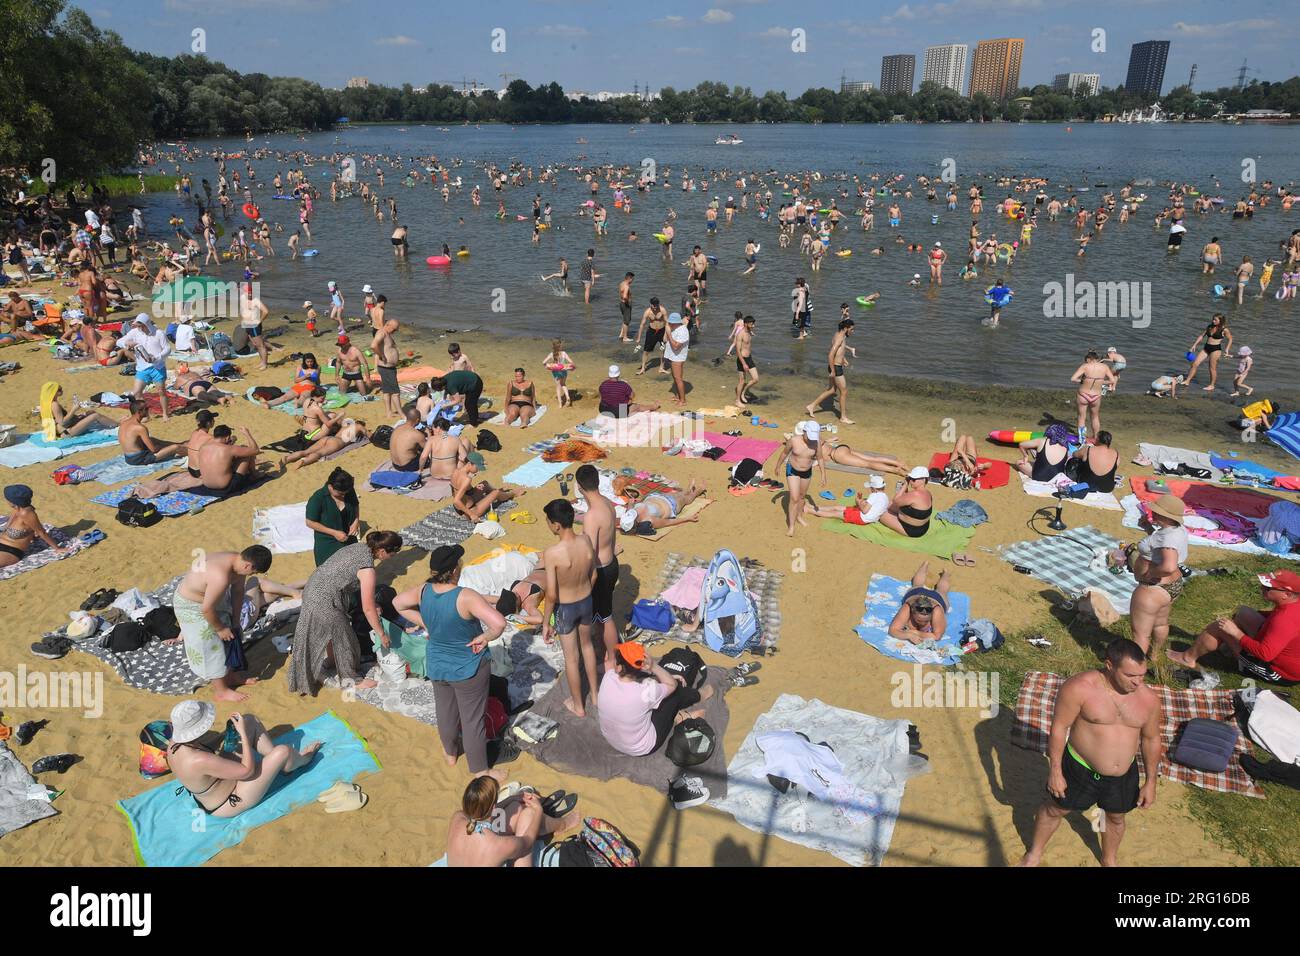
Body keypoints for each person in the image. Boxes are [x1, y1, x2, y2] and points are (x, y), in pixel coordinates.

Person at [1018, 639, 1161, 868]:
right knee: (1055, 809)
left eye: (1142, 675)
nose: (1138, 682)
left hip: (1123, 775)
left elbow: (1151, 739)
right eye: (1131, 675)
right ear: (1109, 665)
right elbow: (1059, 728)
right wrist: (1055, 770)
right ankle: (1034, 854)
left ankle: (1109, 860)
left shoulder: (1148, 699)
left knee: (1115, 817)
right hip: (1080, 767)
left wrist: (1151, 781)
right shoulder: (1079, 688)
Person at [393, 544, 507, 778]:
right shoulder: (465, 596)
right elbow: (499, 624)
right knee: (472, 719)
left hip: (437, 662)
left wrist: (426, 622)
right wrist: (484, 637)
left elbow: (397, 604)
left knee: (445, 711)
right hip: (468, 666)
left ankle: (451, 753)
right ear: (455, 570)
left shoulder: (424, 590)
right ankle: (480, 770)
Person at [287, 530, 403, 696]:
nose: (393, 557)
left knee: (329, 631)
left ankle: (331, 662)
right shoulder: (368, 570)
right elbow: (368, 608)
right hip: (324, 599)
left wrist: (373, 603)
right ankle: (351, 681)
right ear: (382, 551)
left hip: (312, 589)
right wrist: (381, 633)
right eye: (393, 553)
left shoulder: (358, 547)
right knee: (345, 639)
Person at [166, 701, 322, 819]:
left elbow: (205, 750)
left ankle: (282, 765)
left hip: (221, 782)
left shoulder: (175, 744)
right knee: (283, 751)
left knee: (249, 721)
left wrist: (229, 734)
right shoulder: (198, 760)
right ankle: (301, 760)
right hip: (230, 799)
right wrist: (241, 735)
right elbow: (248, 771)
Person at [173, 546, 274, 702]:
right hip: (191, 606)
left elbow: (238, 591)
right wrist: (220, 629)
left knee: (232, 635)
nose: (252, 575)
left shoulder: (238, 562)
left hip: (211, 600)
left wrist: (235, 621)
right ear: (248, 566)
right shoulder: (221, 576)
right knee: (211, 645)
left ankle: (231, 676)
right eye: (253, 573)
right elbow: (207, 610)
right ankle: (221, 690)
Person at [1169, 571, 1300, 684]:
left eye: (1268, 587)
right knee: (1243, 612)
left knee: (1219, 627)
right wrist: (1259, 616)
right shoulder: (1293, 605)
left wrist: (1236, 633)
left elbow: (1264, 654)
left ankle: (1188, 658)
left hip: (1277, 672)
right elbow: (1276, 618)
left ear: (1287, 594)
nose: (1262, 587)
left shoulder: (1283, 620)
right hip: (1288, 659)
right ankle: (1228, 650)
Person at [599, 641, 715, 756]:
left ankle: (679, 715)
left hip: (612, 740)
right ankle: (700, 695)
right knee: (675, 694)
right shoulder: (646, 692)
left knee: (655, 695)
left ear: (618, 667)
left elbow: (632, 681)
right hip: (642, 747)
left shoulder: (608, 677)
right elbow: (672, 685)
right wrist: (654, 666)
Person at [1111, 494, 1188, 657]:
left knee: (1140, 633)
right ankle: (1154, 655)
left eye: (1156, 512)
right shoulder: (1175, 530)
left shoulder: (1168, 538)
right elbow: (1159, 546)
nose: (1153, 513)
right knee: (1160, 623)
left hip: (1153, 588)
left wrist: (1149, 573)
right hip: (1171, 586)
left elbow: (1168, 566)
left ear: (1164, 515)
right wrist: (1148, 528)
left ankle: (1137, 665)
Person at [542, 499, 599, 717]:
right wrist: (584, 592)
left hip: (565, 608)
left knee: (572, 659)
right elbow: (593, 575)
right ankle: (595, 695)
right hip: (586, 601)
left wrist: (546, 622)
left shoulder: (552, 553)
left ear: (556, 525)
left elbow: (552, 594)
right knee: (588, 647)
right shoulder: (585, 541)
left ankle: (579, 706)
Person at [446, 775, 578, 867]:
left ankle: (552, 822)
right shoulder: (497, 845)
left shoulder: (458, 817)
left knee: (515, 808)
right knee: (529, 816)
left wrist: (513, 799)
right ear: (493, 807)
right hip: (500, 847)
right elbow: (528, 841)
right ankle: (562, 824)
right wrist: (538, 811)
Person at [576, 465, 620, 669]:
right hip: (612, 564)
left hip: (600, 570)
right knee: (602, 613)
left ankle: (611, 657)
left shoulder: (592, 516)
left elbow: (590, 553)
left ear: (579, 487)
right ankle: (605, 650)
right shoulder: (608, 504)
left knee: (605, 617)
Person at [776, 421, 827, 537]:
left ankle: (799, 516)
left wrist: (823, 474)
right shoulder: (794, 440)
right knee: (794, 498)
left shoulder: (816, 443)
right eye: (809, 436)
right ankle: (791, 526)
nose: (811, 439)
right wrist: (778, 466)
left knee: (802, 496)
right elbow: (784, 453)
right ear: (804, 431)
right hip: (792, 470)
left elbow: (820, 458)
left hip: (807, 471)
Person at [118, 314, 173, 419]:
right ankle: (146, 415)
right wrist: (128, 343)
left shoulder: (159, 333)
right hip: (142, 368)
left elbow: (167, 349)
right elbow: (119, 341)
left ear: (146, 324)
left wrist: (158, 357)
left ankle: (165, 413)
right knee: (137, 392)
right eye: (138, 326)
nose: (139, 328)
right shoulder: (135, 332)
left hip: (157, 366)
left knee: (161, 391)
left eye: (141, 326)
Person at [0, 484, 68, 569]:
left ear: (14, 501)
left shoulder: (27, 513)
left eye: (8, 499)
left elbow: (41, 532)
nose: (6, 500)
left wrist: (57, 548)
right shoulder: (16, 509)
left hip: (11, 550)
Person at [806, 319, 857, 424]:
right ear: (846, 328)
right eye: (851, 329)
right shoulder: (839, 338)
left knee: (832, 390)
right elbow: (830, 354)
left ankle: (811, 406)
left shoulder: (839, 335)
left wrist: (844, 359)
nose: (852, 331)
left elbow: (839, 350)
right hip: (836, 368)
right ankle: (843, 417)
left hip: (835, 366)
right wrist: (833, 371)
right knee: (844, 391)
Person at [191, 424, 262, 497]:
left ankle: (253, 474)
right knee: (246, 454)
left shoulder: (203, 447)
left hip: (207, 485)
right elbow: (255, 450)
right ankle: (254, 474)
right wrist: (247, 433)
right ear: (227, 437)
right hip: (226, 487)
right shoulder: (228, 449)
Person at [888, 561, 950, 643]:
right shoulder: (908, 607)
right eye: (919, 620)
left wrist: (914, 633)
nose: (922, 623)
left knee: (941, 591)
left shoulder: (936, 610)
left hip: (936, 599)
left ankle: (945, 574)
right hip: (916, 594)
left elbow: (937, 636)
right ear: (912, 612)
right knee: (918, 585)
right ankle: (925, 565)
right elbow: (892, 630)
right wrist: (909, 635)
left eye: (926, 621)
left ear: (932, 614)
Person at [619, 480, 706, 534]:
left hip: (655, 496)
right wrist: (687, 519)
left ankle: (688, 490)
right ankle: (699, 490)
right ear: (634, 524)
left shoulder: (629, 514)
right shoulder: (649, 520)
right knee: (686, 499)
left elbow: (630, 506)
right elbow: (668, 522)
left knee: (679, 494)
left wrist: (631, 501)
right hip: (672, 505)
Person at [117, 399, 187, 466]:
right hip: (139, 459)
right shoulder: (140, 428)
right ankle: (192, 453)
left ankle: (180, 444)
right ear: (139, 412)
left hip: (128, 458)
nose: (148, 410)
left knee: (152, 440)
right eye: (146, 409)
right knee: (176, 447)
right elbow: (153, 450)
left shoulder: (124, 423)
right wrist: (166, 448)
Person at [803, 473, 891, 525]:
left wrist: (858, 501)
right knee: (838, 507)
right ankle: (813, 507)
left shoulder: (874, 495)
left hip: (862, 517)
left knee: (835, 513)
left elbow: (865, 510)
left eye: (870, 487)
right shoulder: (885, 497)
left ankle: (810, 510)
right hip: (866, 516)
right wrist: (861, 502)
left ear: (874, 488)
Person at [282, 418, 367, 471]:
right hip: (337, 442)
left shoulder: (346, 425)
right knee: (319, 454)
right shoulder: (359, 427)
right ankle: (303, 461)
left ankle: (287, 459)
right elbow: (368, 434)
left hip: (328, 438)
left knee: (306, 451)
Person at [40, 382, 117, 438]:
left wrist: (77, 417)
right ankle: (118, 425)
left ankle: (112, 423)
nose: (62, 390)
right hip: (67, 432)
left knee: (90, 412)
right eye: (59, 390)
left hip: (64, 429)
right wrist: (73, 410)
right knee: (95, 416)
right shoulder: (54, 405)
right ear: (53, 392)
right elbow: (62, 422)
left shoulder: (46, 403)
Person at [450, 459, 517, 521]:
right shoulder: (467, 479)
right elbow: (456, 500)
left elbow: (457, 488)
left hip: (461, 506)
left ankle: (497, 496)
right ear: (470, 464)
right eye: (477, 468)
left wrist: (471, 489)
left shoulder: (456, 471)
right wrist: (471, 515)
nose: (478, 470)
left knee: (485, 483)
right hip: (471, 510)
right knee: (496, 492)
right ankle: (512, 494)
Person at [877, 466, 934, 538]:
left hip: (911, 530)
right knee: (889, 504)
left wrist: (905, 484)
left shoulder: (915, 494)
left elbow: (896, 501)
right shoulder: (928, 493)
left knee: (879, 511)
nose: (910, 481)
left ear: (923, 480)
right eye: (910, 478)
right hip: (923, 528)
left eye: (913, 479)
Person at [1070, 351, 1115, 438]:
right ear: (1097, 359)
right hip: (1096, 396)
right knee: (1095, 417)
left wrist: (1082, 381)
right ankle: (1095, 438)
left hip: (1083, 395)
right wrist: (1102, 381)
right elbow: (1112, 381)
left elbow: (1073, 378)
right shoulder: (1105, 367)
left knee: (1081, 417)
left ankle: (1082, 439)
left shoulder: (1085, 366)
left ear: (1088, 359)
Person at [1185, 313, 1233, 392]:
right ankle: (1187, 381)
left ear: (1220, 321)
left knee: (1212, 368)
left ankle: (1212, 385)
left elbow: (1230, 339)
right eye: (1213, 319)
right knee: (1195, 364)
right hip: (1206, 348)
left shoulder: (1224, 329)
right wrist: (1194, 345)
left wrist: (1227, 349)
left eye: (1215, 320)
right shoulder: (1209, 326)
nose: (1213, 321)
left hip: (1216, 349)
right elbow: (1201, 336)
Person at [371, 300, 401, 417]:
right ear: (387, 324)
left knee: (387, 391)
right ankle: (400, 413)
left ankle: (389, 412)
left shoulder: (386, 333)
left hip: (388, 367)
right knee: (395, 392)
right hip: (386, 367)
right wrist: (382, 355)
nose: (394, 332)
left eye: (396, 330)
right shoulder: (382, 333)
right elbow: (373, 345)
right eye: (394, 329)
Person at [239, 282, 269, 371]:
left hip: (254, 325)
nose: (249, 294)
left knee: (261, 345)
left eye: (250, 292)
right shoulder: (242, 298)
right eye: (247, 292)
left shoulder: (255, 300)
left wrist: (259, 321)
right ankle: (261, 361)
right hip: (247, 325)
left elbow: (266, 311)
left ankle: (264, 364)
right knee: (255, 344)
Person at [389, 405, 428, 472]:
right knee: (430, 458)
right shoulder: (417, 434)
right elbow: (428, 449)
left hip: (395, 464)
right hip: (408, 466)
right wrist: (429, 434)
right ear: (418, 420)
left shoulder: (397, 428)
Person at [663, 313, 690, 406]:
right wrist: (667, 332)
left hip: (678, 357)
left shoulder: (683, 331)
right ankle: (678, 396)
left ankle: (683, 401)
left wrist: (669, 334)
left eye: (670, 323)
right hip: (673, 356)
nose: (669, 324)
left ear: (675, 323)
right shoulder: (675, 328)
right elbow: (665, 340)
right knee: (675, 377)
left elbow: (675, 347)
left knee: (678, 378)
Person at [734, 314, 758, 406]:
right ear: (746, 324)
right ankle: (737, 401)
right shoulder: (740, 334)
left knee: (755, 379)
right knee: (742, 381)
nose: (753, 326)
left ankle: (744, 391)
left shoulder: (749, 331)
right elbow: (738, 351)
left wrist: (751, 332)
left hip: (749, 358)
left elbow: (749, 333)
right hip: (742, 359)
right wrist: (744, 363)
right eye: (752, 324)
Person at [544, 339, 575, 407]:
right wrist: (568, 367)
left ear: (553, 346)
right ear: (560, 345)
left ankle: (560, 404)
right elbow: (571, 362)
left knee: (558, 387)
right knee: (563, 384)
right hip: (563, 371)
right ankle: (567, 397)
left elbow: (544, 362)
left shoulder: (551, 354)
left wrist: (549, 366)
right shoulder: (564, 353)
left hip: (556, 372)